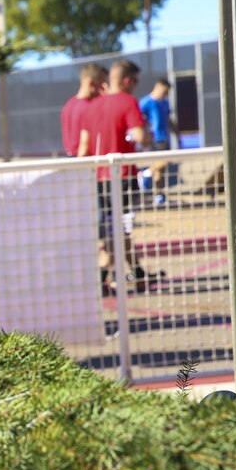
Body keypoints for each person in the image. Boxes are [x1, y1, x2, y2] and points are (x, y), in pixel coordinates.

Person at [77, 59, 161, 294]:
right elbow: (140, 136)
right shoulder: (128, 102)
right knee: (118, 227)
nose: (135, 86)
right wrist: (145, 134)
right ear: (126, 80)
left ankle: (134, 270)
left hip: (99, 177)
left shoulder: (92, 106)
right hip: (122, 175)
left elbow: (84, 148)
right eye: (135, 81)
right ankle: (105, 273)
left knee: (114, 227)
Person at [138, 78, 177, 205]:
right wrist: (144, 133)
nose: (165, 94)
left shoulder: (164, 102)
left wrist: (177, 133)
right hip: (154, 138)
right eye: (164, 91)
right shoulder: (146, 102)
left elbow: (168, 119)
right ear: (158, 87)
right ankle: (145, 174)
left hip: (165, 137)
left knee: (161, 170)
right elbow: (138, 118)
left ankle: (158, 194)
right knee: (163, 162)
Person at [60, 63, 108, 157]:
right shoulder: (90, 107)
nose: (104, 88)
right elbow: (85, 146)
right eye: (102, 84)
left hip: (70, 158)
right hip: (84, 160)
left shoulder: (68, 105)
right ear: (91, 83)